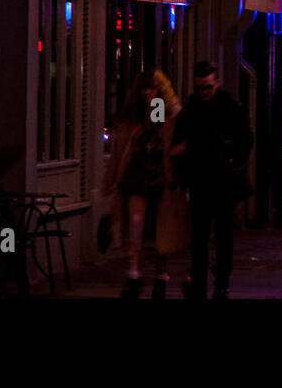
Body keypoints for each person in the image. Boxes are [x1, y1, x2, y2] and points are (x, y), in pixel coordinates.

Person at [104, 71, 188, 299]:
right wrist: (111, 181)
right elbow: (120, 148)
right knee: (135, 223)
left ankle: (160, 274)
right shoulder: (132, 114)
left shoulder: (167, 112)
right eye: (144, 89)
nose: (147, 93)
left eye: (152, 89)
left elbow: (161, 130)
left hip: (162, 175)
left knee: (162, 227)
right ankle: (134, 273)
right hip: (136, 173)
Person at [170, 62, 251, 300]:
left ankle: (221, 282)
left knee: (223, 234)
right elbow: (180, 141)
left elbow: (245, 138)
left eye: (207, 87)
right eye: (200, 87)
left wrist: (234, 161)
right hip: (200, 180)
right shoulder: (191, 109)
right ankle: (200, 282)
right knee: (200, 236)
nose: (203, 92)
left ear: (216, 83)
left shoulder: (228, 107)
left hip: (223, 179)